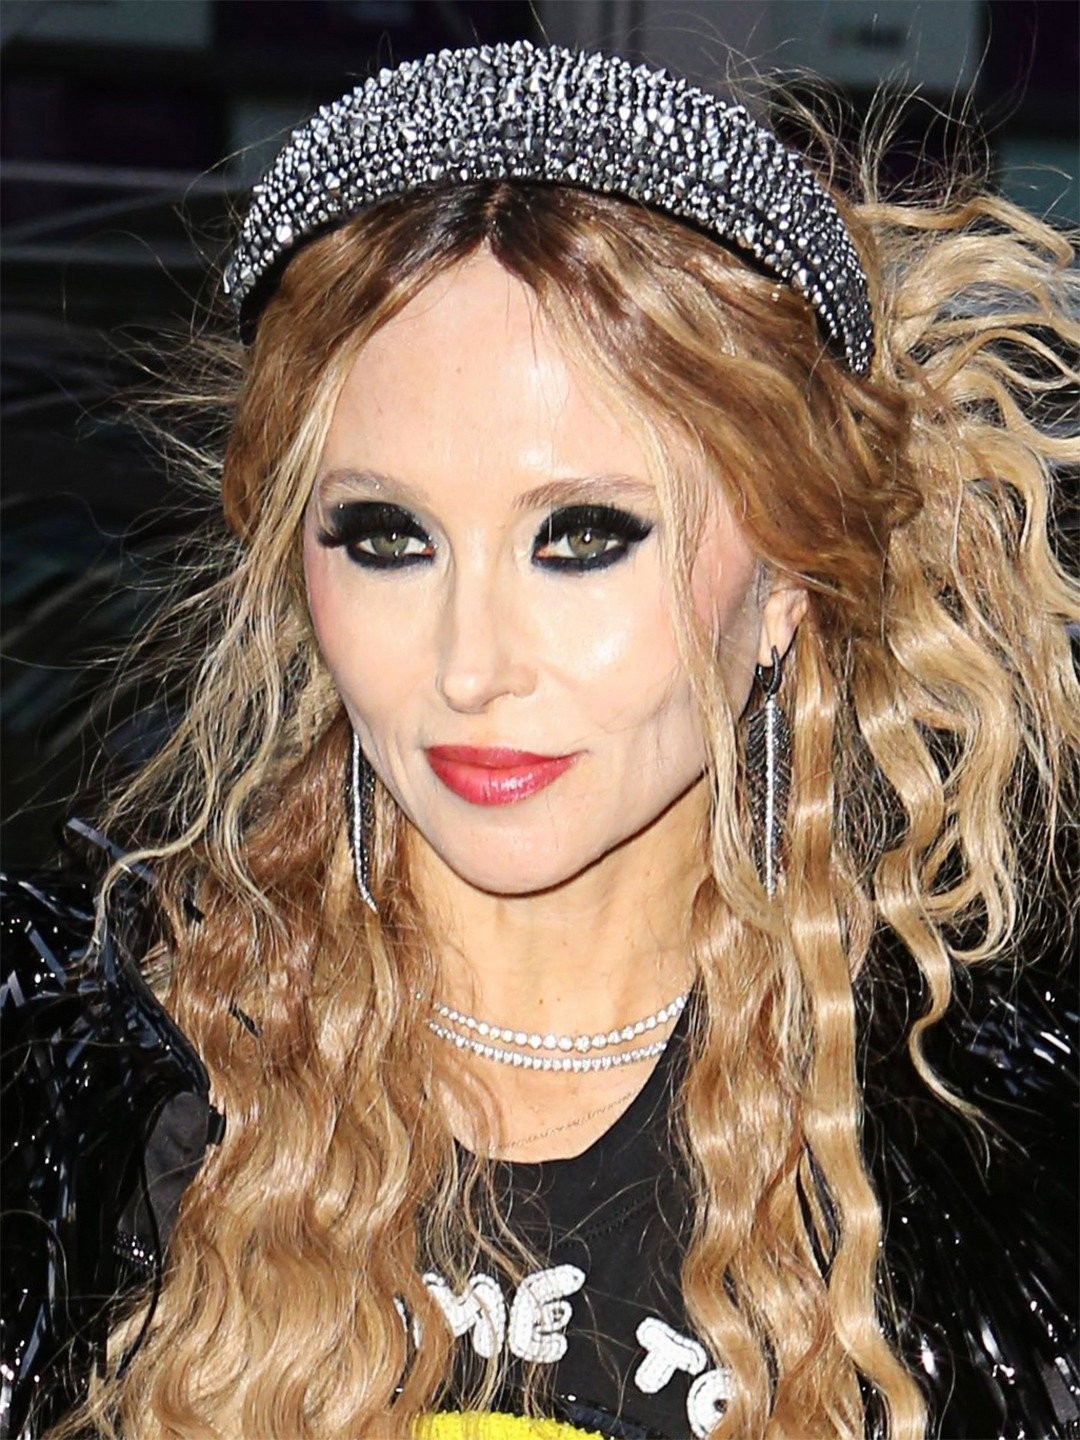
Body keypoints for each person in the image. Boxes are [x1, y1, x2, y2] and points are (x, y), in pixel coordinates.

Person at [2, 39, 1077, 1440]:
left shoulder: (979, 1179)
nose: (471, 666)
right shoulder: (98, 1105)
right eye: (386, 538)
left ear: (787, 578)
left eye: (582, 537)